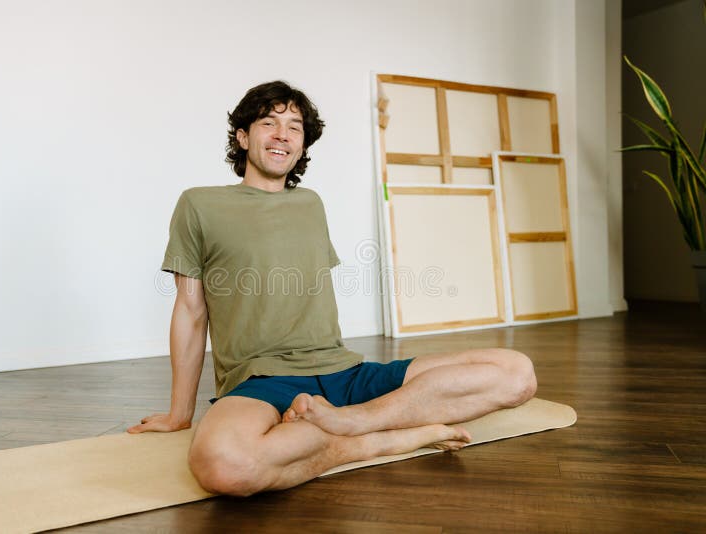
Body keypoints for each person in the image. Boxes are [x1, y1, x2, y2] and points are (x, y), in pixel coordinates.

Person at [128, 80, 537, 497]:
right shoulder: (198, 204)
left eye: (294, 127)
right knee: (224, 466)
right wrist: (180, 413)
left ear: (303, 144)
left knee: (516, 374)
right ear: (243, 135)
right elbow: (191, 311)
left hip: (344, 372)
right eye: (268, 122)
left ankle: (357, 421)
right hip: (263, 380)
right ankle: (382, 438)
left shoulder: (311, 202)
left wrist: (355, 407)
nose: (282, 134)